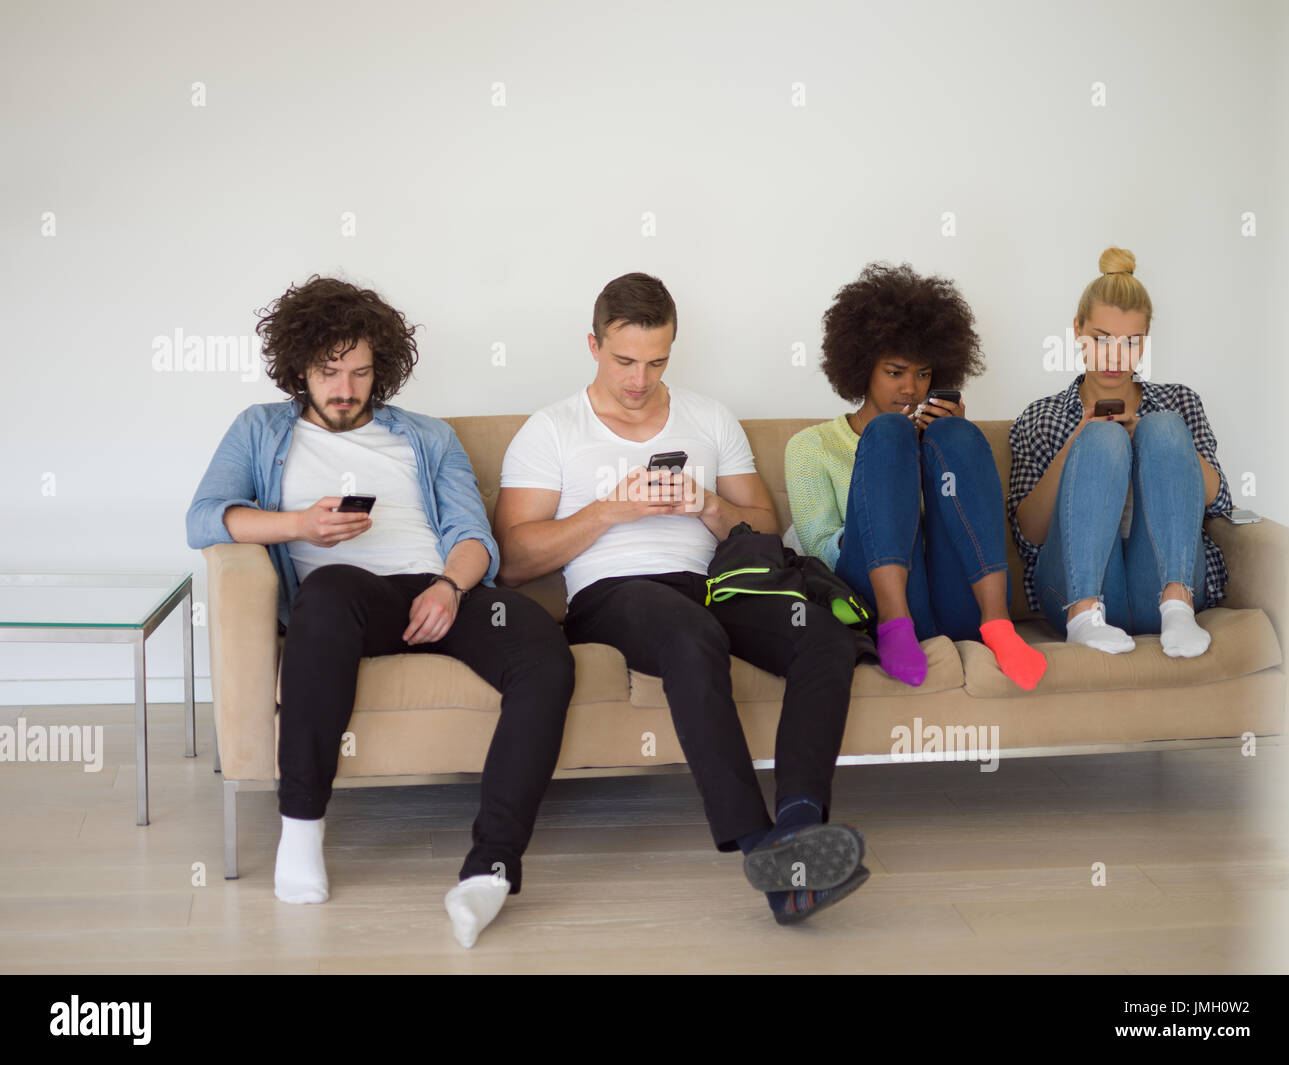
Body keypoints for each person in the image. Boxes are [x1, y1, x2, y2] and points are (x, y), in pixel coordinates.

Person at [185, 276, 575, 948]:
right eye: (329, 372)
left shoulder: (427, 436)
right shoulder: (259, 428)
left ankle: (493, 863)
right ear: (298, 365)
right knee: (330, 589)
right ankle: (302, 827)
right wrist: (299, 524)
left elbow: (473, 536)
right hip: (342, 599)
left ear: (382, 369)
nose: (345, 389)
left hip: (434, 589)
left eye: (361, 373)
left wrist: (451, 587)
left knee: (542, 647)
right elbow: (203, 518)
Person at [493, 272, 870, 924]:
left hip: (717, 583)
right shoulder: (552, 428)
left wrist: (706, 504)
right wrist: (611, 510)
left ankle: (801, 819)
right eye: (624, 360)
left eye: (657, 360)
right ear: (593, 344)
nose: (640, 378)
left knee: (823, 634)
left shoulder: (709, 417)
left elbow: (763, 526)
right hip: (615, 594)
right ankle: (763, 847)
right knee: (691, 638)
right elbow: (515, 561)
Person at [786, 263, 1047, 691]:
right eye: (895, 372)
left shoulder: (939, 438)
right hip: (872, 598)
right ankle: (895, 624)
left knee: (957, 433)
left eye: (923, 374)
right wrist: (892, 466)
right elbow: (823, 553)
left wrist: (938, 451)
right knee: (888, 432)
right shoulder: (809, 446)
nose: (911, 388)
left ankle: (998, 624)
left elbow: (966, 528)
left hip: (955, 604)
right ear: (861, 367)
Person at [1007, 247, 1233, 656]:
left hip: (1162, 582)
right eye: (1101, 339)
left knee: (1163, 426)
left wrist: (1151, 434)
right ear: (1077, 331)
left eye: (1130, 342)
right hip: (1077, 585)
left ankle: (1177, 606)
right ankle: (1084, 613)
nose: (1114, 357)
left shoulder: (1180, 401)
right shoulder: (1041, 417)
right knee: (1102, 439)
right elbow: (1028, 534)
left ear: (1145, 343)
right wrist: (1081, 438)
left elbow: (1219, 501)